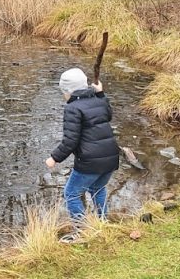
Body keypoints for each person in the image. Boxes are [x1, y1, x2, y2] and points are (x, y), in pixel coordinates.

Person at [46, 67, 120, 239]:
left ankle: (82, 231)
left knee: (71, 194)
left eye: (63, 92)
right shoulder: (97, 99)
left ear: (68, 91)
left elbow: (70, 141)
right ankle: (102, 223)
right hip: (110, 158)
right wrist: (101, 94)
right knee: (98, 189)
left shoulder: (72, 108)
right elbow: (108, 115)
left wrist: (54, 158)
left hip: (90, 162)